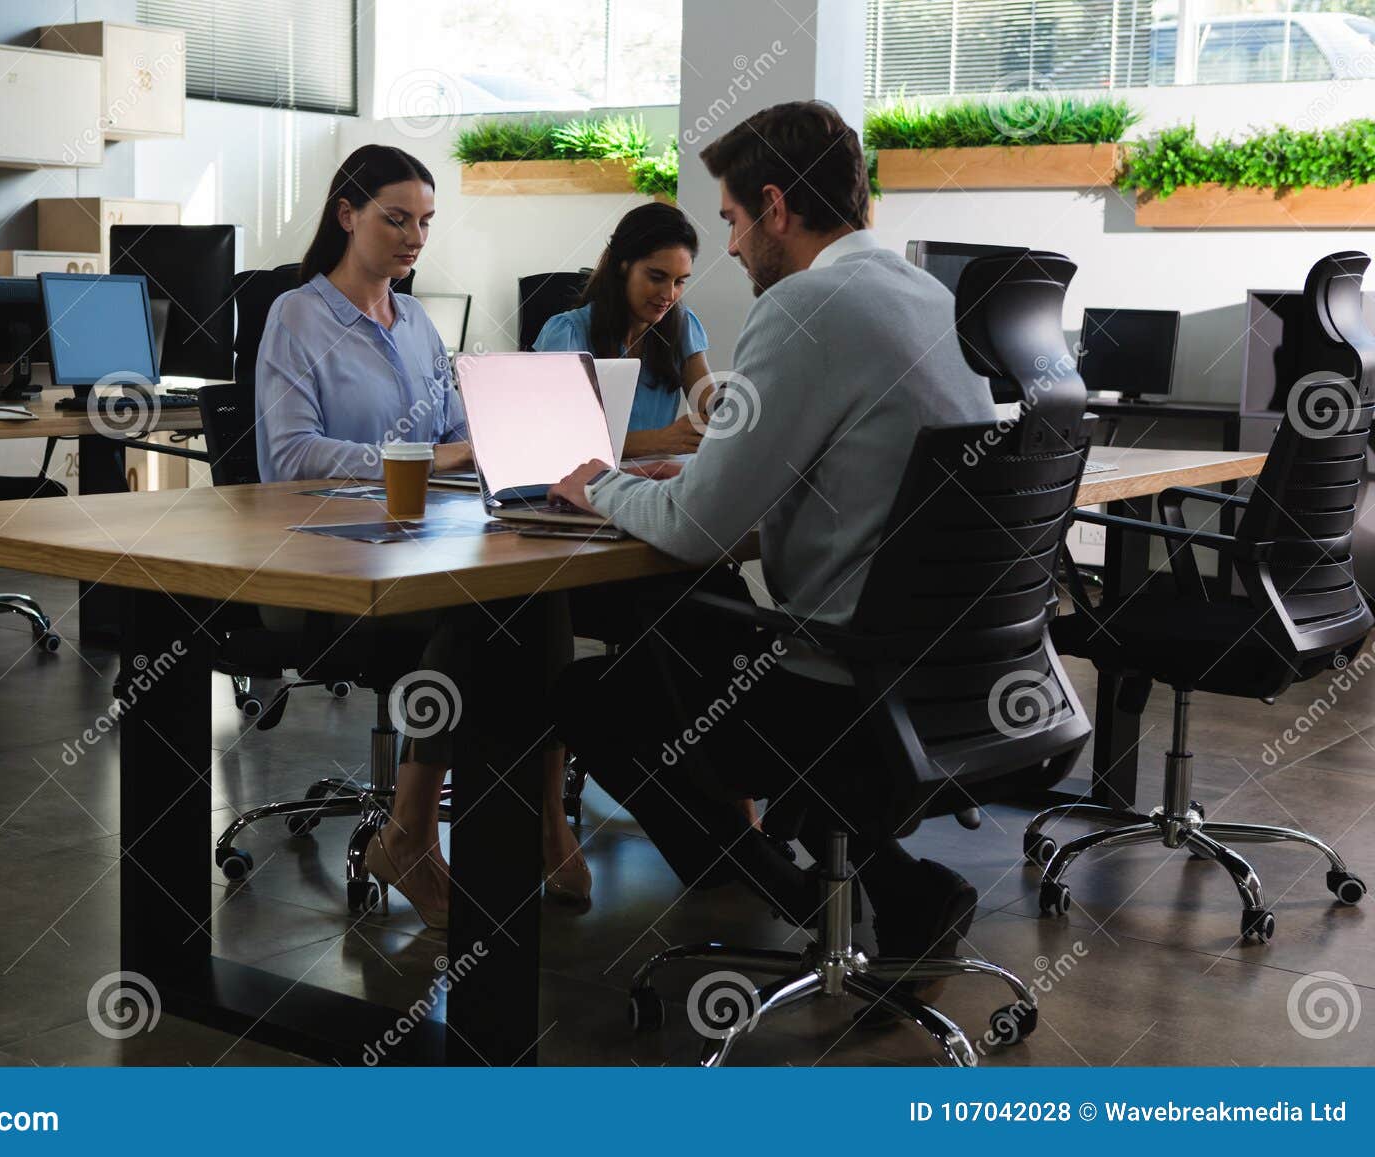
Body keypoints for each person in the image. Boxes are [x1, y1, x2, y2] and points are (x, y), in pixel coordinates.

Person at [547, 101, 997, 967]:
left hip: (847, 681)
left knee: (587, 693)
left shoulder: (803, 304)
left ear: (776, 208)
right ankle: (895, 884)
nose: (731, 247)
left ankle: (776, 886)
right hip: (949, 671)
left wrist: (596, 482)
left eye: (731, 221)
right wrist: (705, 476)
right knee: (683, 619)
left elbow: (693, 527)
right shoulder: (923, 292)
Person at [254, 144, 587, 929]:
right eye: (395, 219)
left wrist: (508, 439)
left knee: (539, 596)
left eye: (426, 223)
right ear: (347, 215)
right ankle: (409, 833)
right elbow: (289, 456)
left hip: (424, 548)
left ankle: (538, 814)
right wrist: (423, 455)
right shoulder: (297, 316)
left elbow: (459, 430)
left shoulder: (416, 323)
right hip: (328, 564)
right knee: (481, 613)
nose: (413, 238)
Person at [533, 202, 712, 458]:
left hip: (658, 483)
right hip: (587, 488)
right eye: (656, 277)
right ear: (623, 266)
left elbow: (713, 410)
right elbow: (559, 438)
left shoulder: (682, 324)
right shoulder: (567, 333)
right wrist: (660, 440)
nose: (669, 295)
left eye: (679, 281)